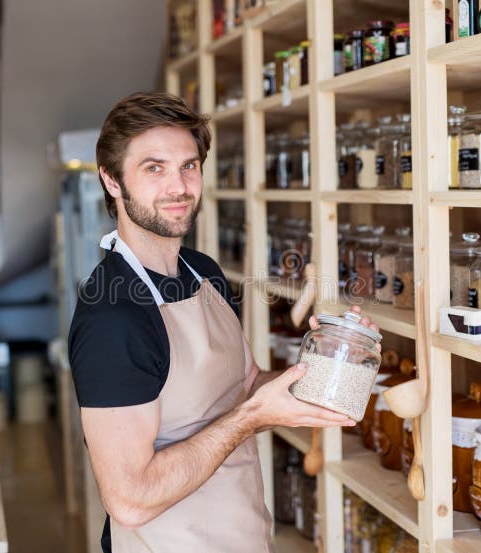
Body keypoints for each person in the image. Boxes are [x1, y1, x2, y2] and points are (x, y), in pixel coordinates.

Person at [68, 91, 379, 553]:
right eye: (154, 168)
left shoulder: (204, 272)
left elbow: (246, 386)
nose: (178, 187)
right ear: (112, 181)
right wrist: (251, 419)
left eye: (188, 166)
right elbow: (129, 501)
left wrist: (331, 360)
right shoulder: (113, 316)